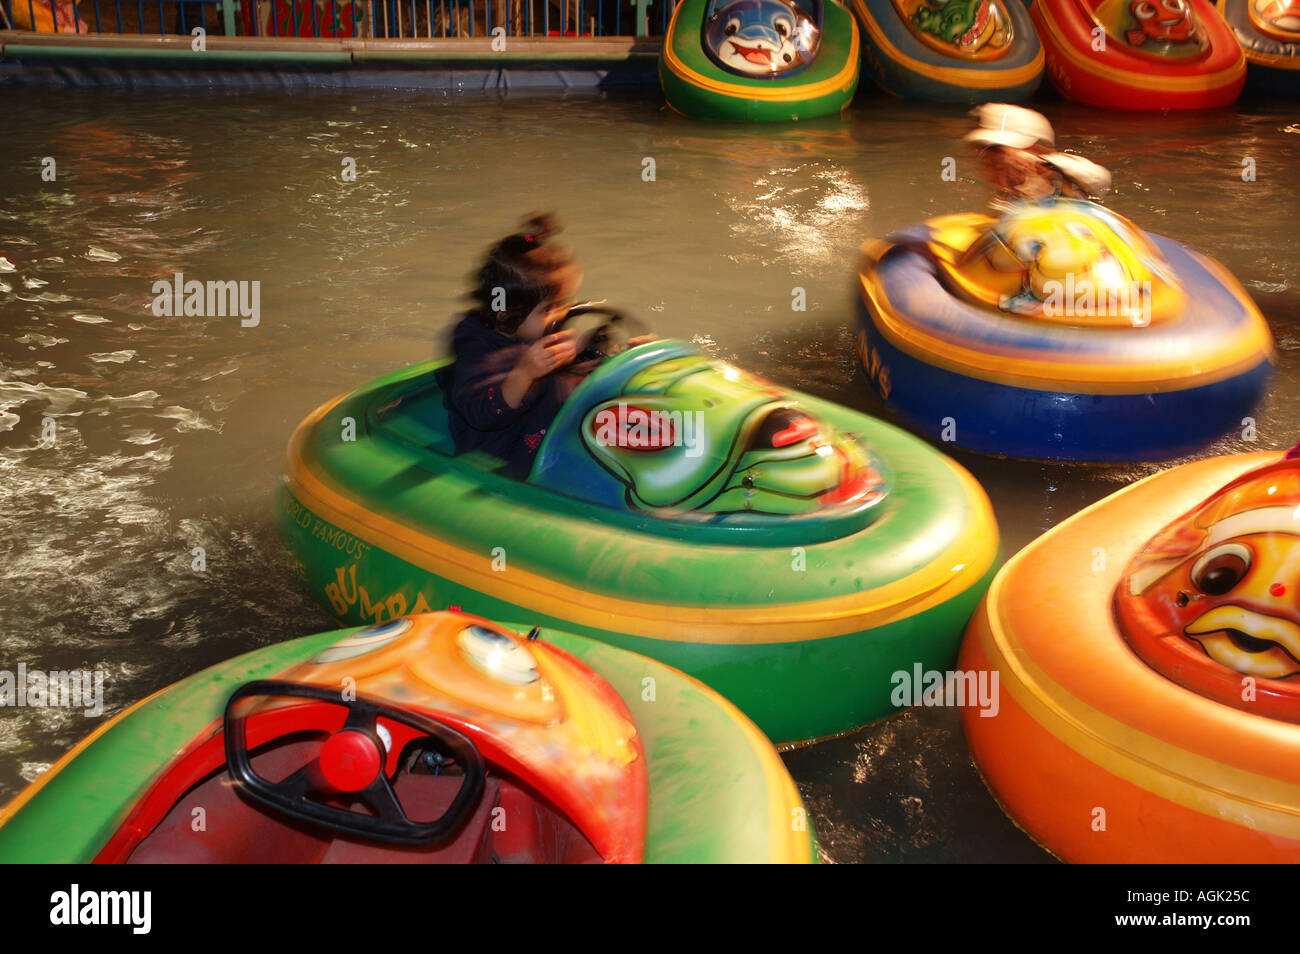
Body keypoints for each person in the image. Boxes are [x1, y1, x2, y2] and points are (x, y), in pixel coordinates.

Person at [443, 213, 595, 479]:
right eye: (550, 308)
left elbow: (564, 373)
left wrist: (594, 357)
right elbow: (482, 414)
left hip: (550, 439)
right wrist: (524, 374)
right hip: (500, 460)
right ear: (506, 312)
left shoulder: (537, 331)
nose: (563, 314)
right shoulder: (474, 346)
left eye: (565, 303)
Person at [965, 103, 1111, 208]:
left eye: (999, 161)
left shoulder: (1061, 174)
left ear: (1035, 150)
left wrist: (1044, 164)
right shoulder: (1007, 198)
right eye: (988, 163)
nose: (994, 172)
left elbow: (1100, 180)